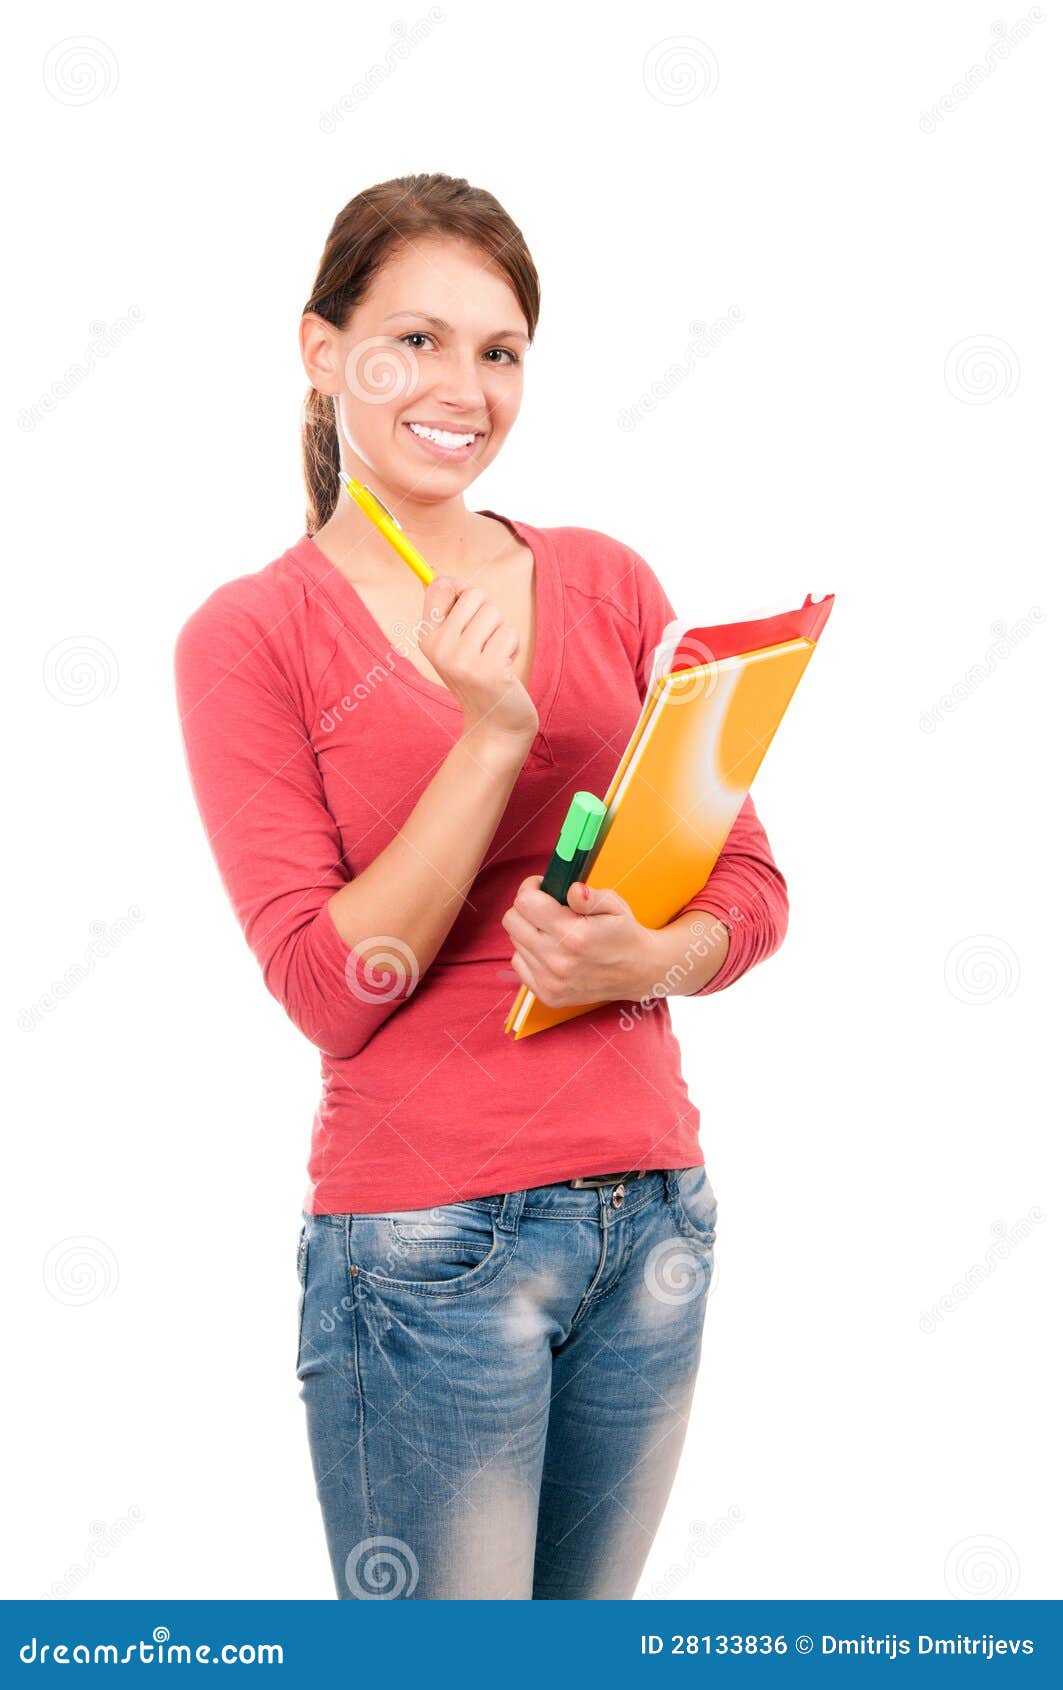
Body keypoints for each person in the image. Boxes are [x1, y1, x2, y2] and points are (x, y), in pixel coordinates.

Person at [173, 173, 789, 1600]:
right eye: (418, 341)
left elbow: (750, 882)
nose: (466, 388)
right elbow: (331, 990)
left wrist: (645, 960)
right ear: (323, 352)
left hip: (654, 1222)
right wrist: (490, 737)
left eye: (500, 350)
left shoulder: (607, 581)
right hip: (429, 1244)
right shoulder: (254, 634)